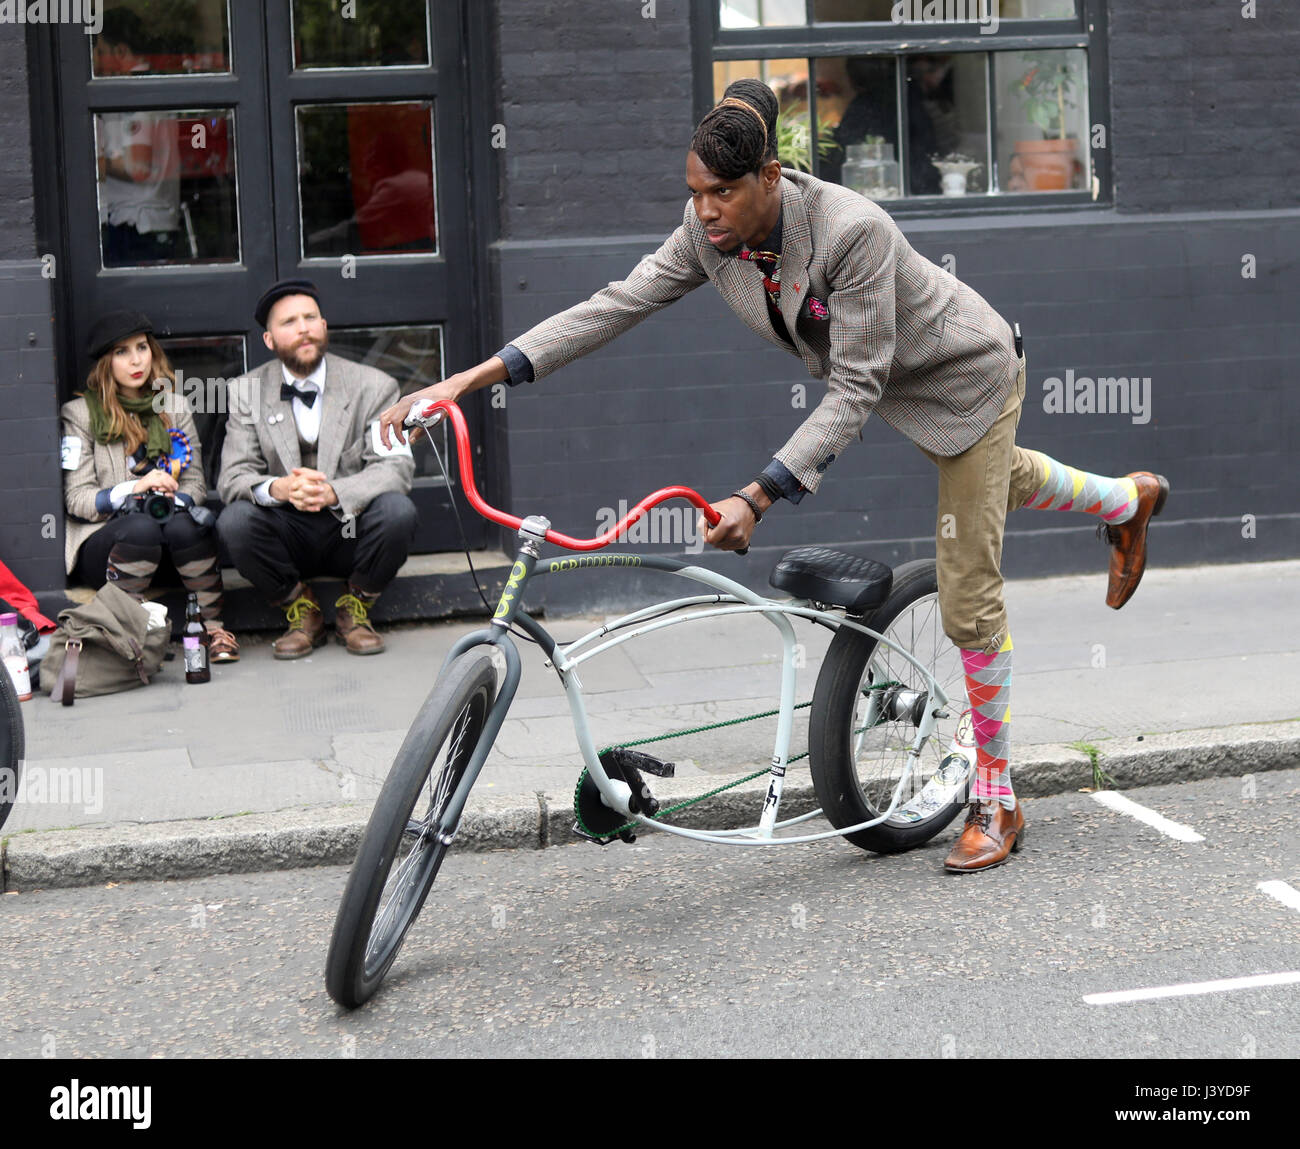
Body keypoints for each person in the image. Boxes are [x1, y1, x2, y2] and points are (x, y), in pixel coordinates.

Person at [377, 79, 1169, 874]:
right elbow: (613, 305)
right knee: (1002, 480)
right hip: (897, 387)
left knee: (967, 591)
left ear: (771, 176)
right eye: (695, 193)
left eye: (723, 191)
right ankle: (1128, 501)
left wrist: (758, 494)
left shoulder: (851, 232)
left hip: (966, 379)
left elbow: (855, 387)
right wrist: (470, 380)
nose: (706, 209)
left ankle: (997, 796)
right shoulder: (705, 233)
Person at [216, 279, 417, 659]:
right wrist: (279, 489)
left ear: (324, 326)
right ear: (270, 340)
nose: (303, 327)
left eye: (310, 317)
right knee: (234, 520)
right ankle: (300, 609)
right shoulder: (245, 391)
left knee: (397, 511)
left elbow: (396, 468)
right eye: (289, 321)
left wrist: (335, 492)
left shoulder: (374, 386)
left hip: (350, 527)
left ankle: (354, 608)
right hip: (286, 532)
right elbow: (233, 477)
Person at [60, 310, 238, 661]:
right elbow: (77, 499)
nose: (136, 360)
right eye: (122, 352)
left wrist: (173, 497)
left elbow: (196, 484)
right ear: (105, 362)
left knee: (188, 525)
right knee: (140, 526)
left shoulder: (174, 406)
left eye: (142, 347)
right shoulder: (79, 414)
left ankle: (215, 631)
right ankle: (133, 637)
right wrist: (134, 490)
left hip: (170, 541)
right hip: (108, 541)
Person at [94, 10, 182, 267]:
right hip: (155, 219)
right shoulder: (154, 89)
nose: (96, 61)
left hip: (136, 225)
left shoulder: (134, 95)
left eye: (101, 51)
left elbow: (138, 167)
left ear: (120, 52)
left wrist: (95, 164)